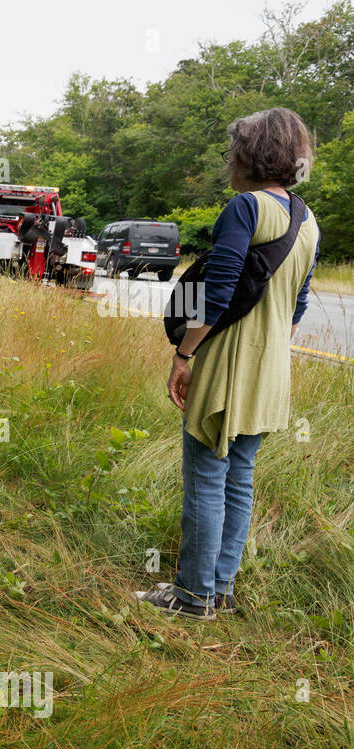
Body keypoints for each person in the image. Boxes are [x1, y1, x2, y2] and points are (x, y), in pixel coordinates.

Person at [135, 107, 320, 620]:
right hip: (271, 371)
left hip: (225, 364)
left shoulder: (245, 208)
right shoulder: (308, 221)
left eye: (233, 150)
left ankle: (192, 596)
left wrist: (184, 353)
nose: (229, 160)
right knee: (240, 477)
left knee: (207, 476)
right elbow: (296, 310)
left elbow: (216, 293)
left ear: (250, 155)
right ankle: (220, 587)